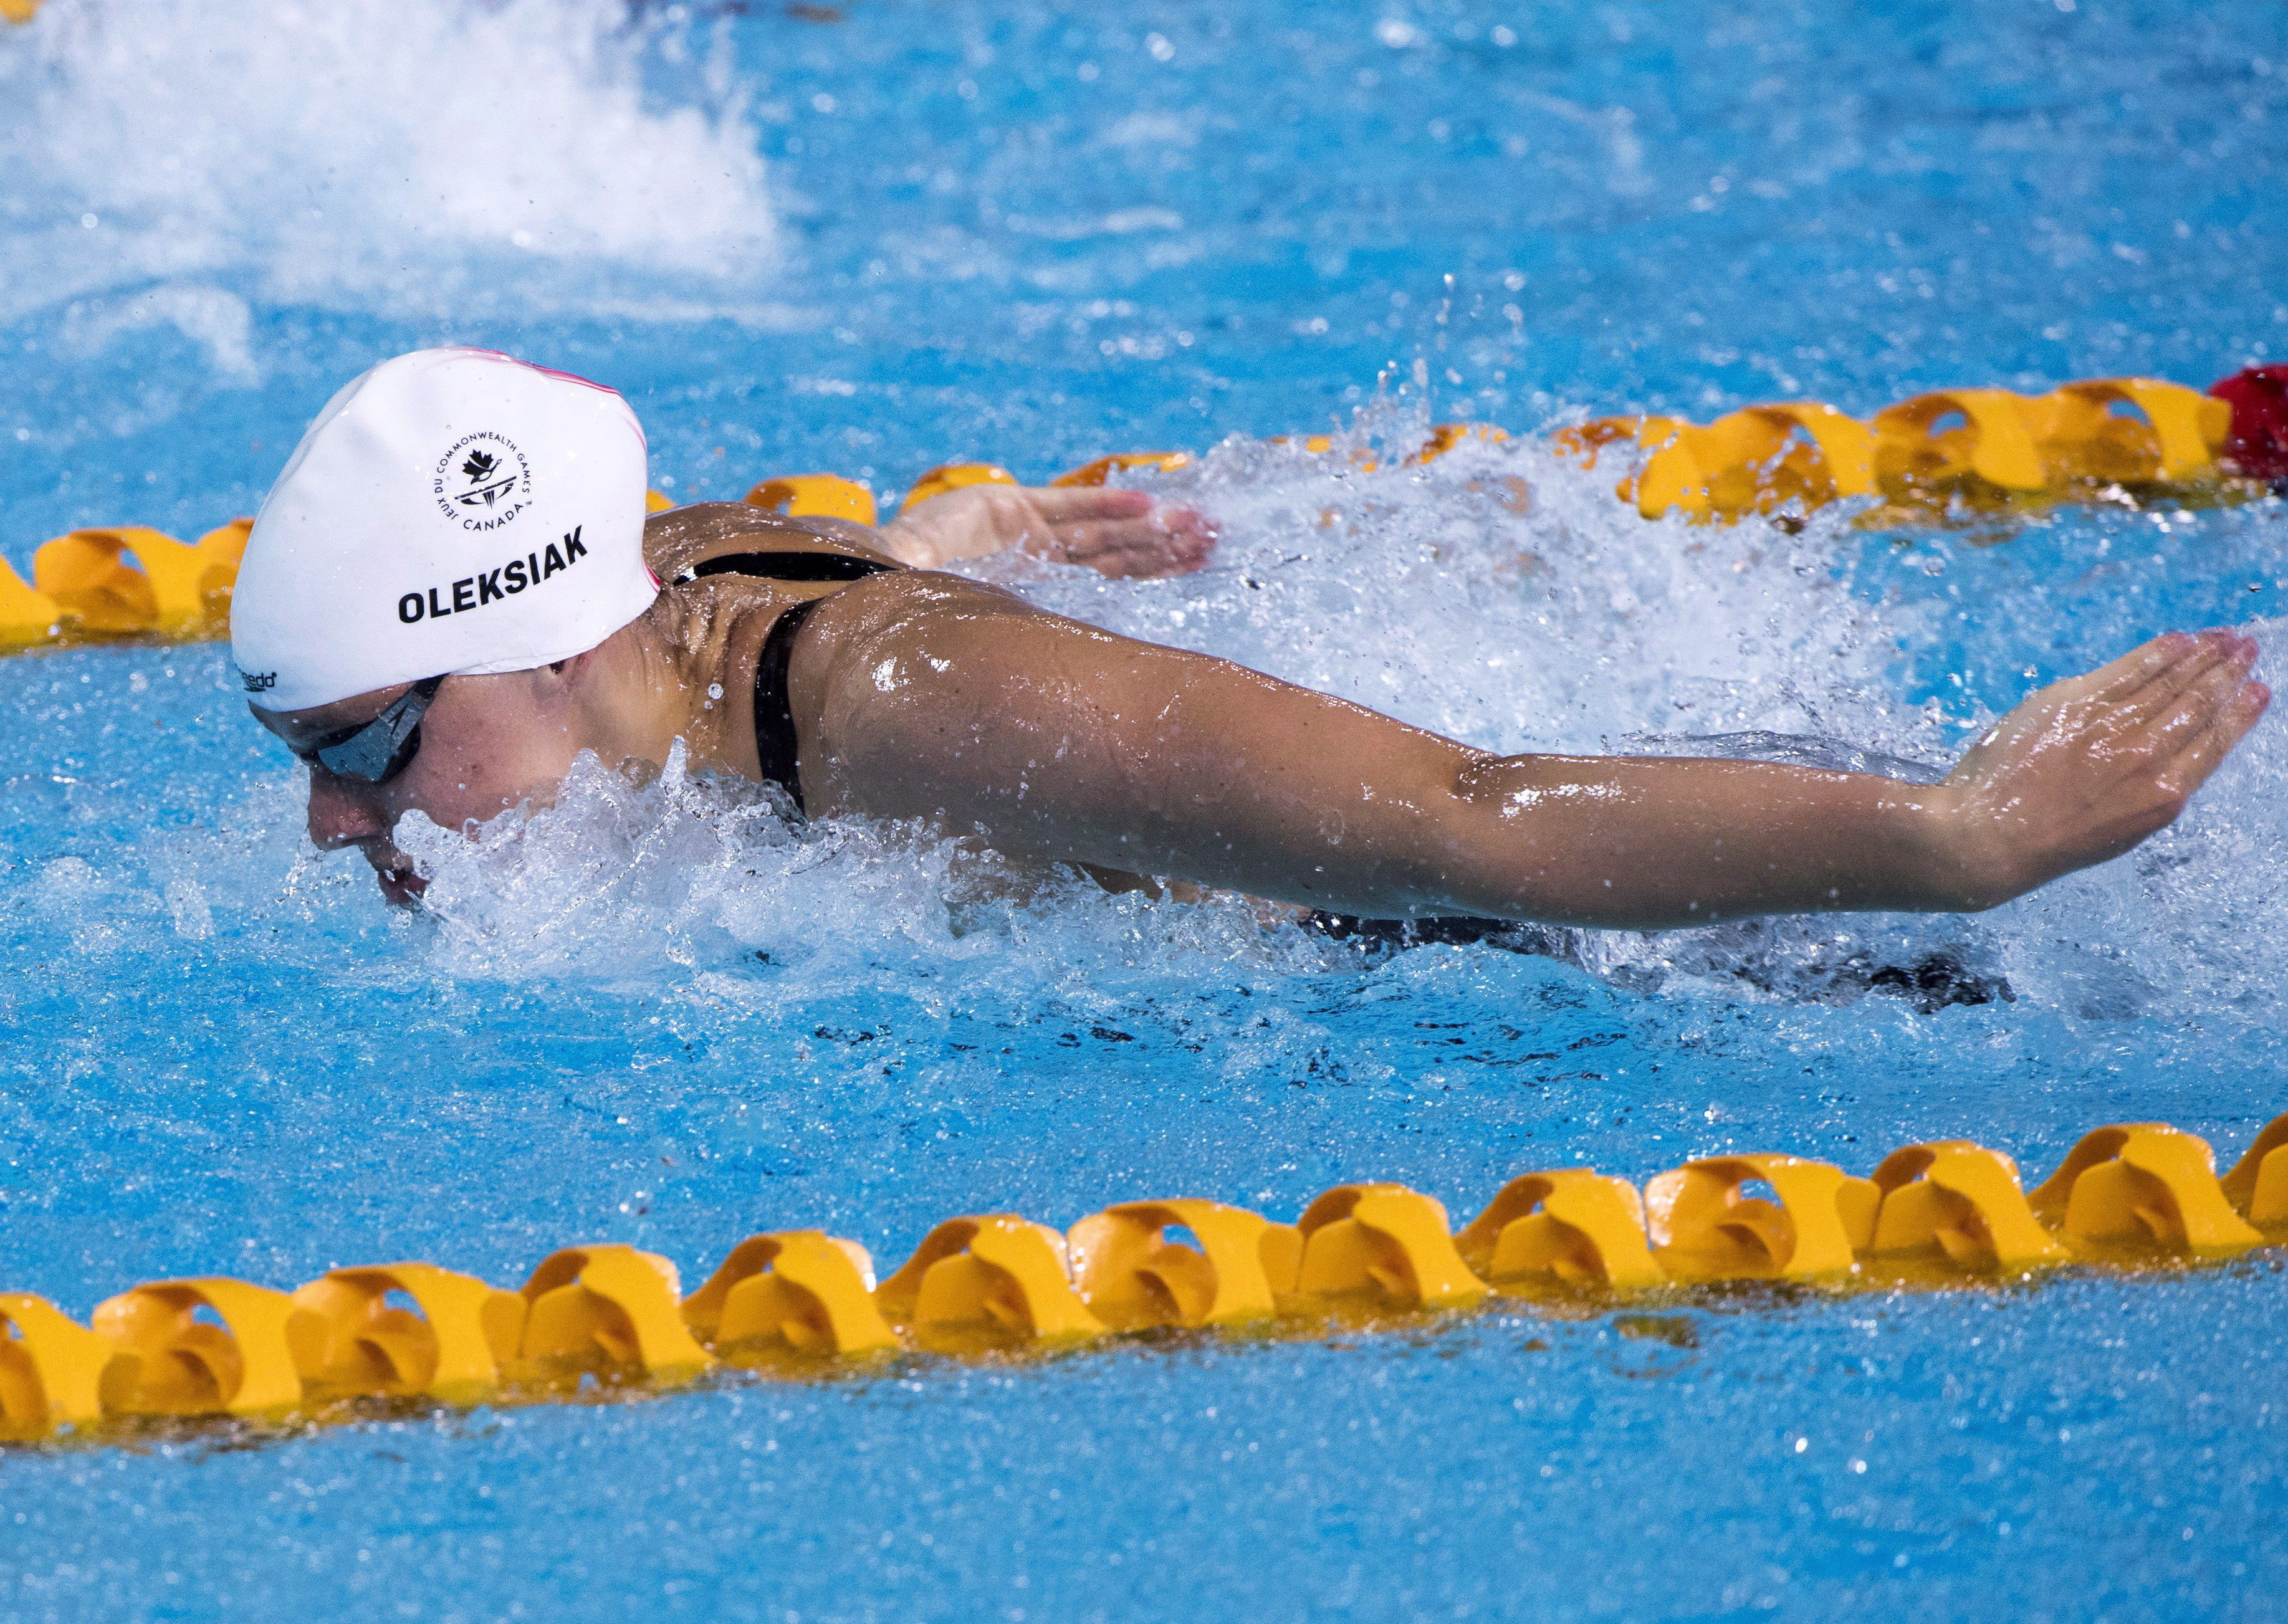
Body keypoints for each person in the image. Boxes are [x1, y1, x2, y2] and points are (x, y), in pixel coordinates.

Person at [234, 348, 2269, 932]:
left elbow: (1461, 820)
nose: (338, 830)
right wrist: (967, 531)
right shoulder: (629, 608)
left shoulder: (930, 717)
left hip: (1641, 912)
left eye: (357, 752)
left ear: (550, 648)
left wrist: (1954, 843)